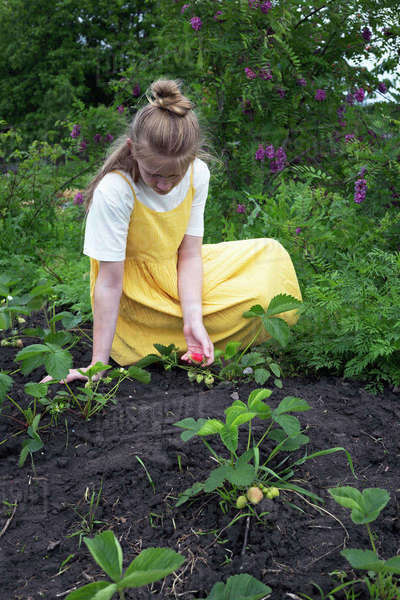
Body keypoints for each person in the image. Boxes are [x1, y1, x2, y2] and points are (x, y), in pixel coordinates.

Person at [44, 79, 301, 384]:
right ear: (132, 150)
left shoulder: (197, 174)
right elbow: (109, 284)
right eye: (154, 175)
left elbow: (189, 254)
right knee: (240, 311)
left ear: (190, 160)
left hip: (179, 272)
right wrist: (97, 366)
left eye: (173, 176)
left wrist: (193, 319)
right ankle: (184, 333)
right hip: (138, 297)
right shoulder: (116, 190)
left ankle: (193, 330)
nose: (165, 185)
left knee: (268, 266)